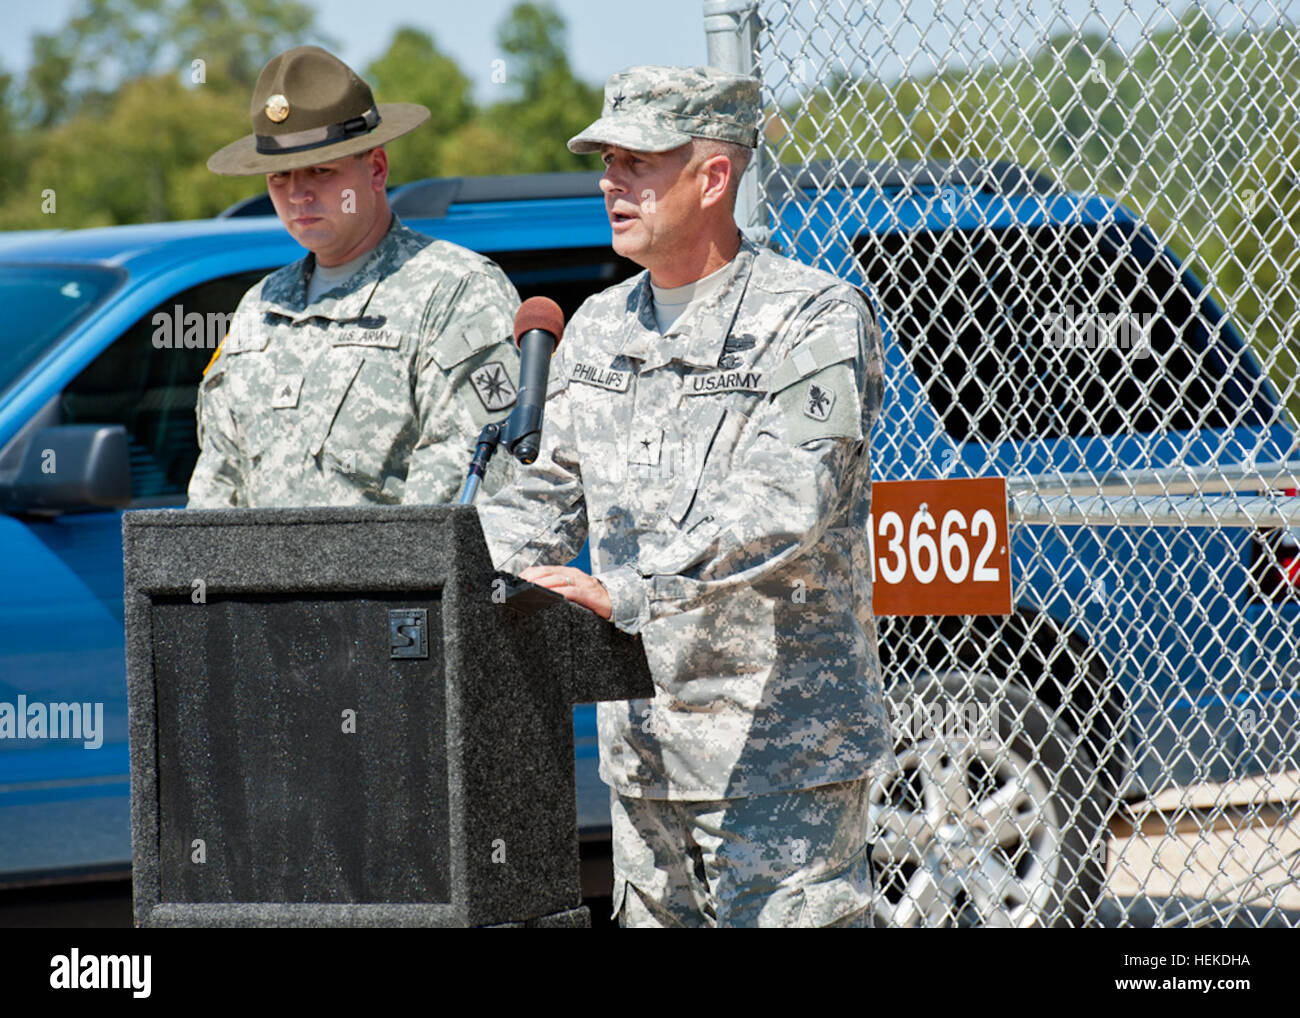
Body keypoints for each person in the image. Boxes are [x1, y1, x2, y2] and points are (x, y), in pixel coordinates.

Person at [477, 65, 897, 927]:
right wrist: (477, 581)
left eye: (638, 161)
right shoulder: (598, 327)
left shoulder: (811, 317)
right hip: (643, 756)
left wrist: (625, 591)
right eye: (607, 160)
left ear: (713, 177)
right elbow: (539, 494)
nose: (611, 181)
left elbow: (786, 504)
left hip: (780, 755)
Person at [189, 45, 521, 508]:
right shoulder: (260, 306)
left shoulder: (453, 290)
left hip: (402, 580)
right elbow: (217, 484)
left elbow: (463, 489)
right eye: (278, 178)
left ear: (377, 169)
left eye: (320, 171)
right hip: (255, 583)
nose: (297, 194)